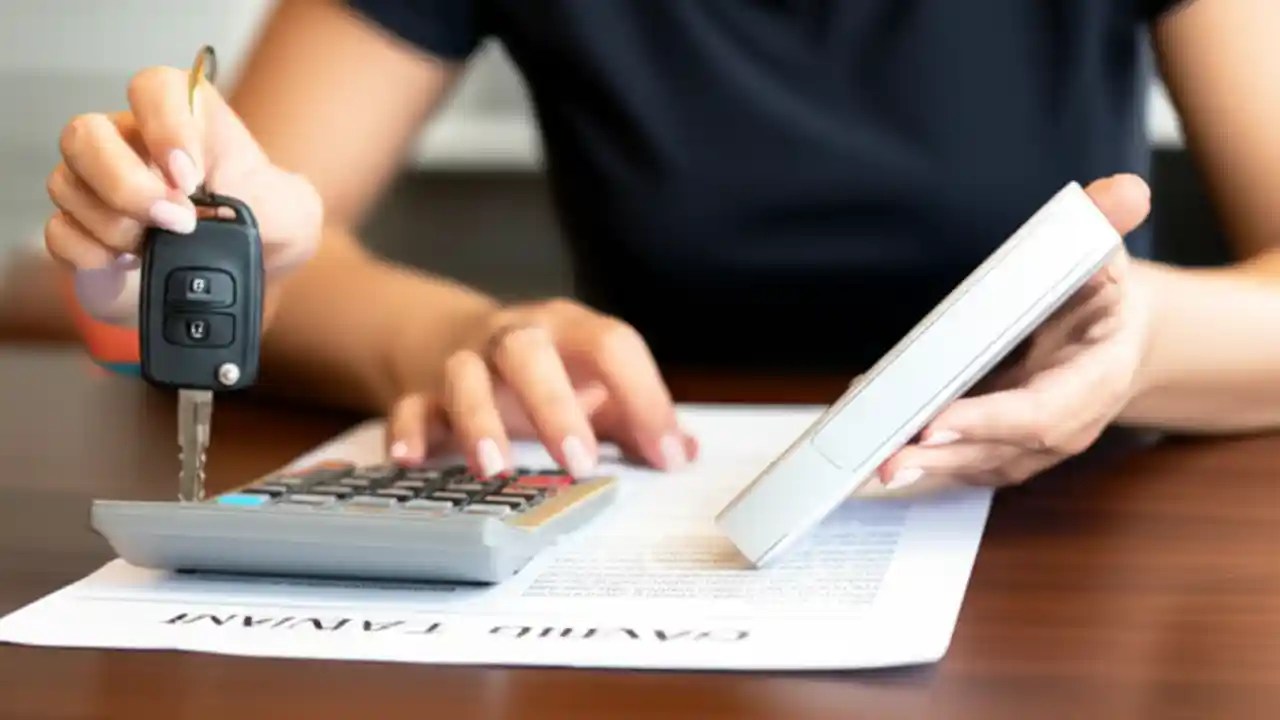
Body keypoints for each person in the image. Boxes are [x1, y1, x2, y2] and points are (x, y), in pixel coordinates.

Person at [42, 0, 1280, 492]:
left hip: (1084, 536)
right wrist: (458, 336)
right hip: (645, 504)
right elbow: (266, 245)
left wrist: (1143, 340)